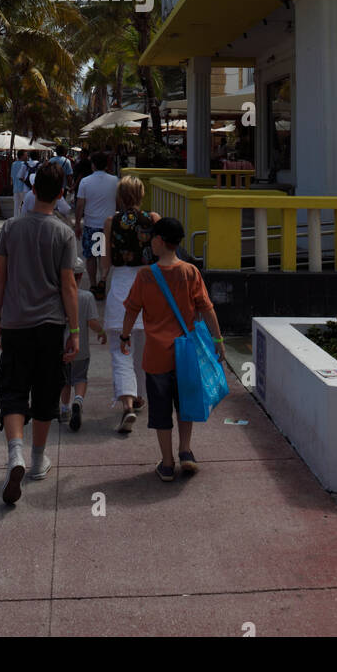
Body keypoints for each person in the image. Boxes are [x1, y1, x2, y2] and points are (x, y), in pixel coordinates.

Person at [0, 161, 80, 505]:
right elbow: (69, 286)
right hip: (50, 326)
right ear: (60, 195)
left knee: (13, 388)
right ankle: (39, 460)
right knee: (46, 390)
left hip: (14, 324)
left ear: (31, 190)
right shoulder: (63, 233)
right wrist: (75, 331)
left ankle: (15, 454)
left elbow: (0, 277)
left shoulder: (10, 228)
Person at [120, 217, 225, 483]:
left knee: (160, 410)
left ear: (160, 240)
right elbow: (206, 307)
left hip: (156, 356)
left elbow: (132, 309)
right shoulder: (190, 272)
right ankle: (185, 451)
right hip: (186, 354)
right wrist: (218, 340)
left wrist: (124, 336)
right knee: (185, 404)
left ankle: (167, 464)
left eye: (152, 237)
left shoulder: (145, 275)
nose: (150, 242)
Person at [101, 176, 159, 433]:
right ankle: (139, 396)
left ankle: (127, 402)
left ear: (120, 195)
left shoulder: (110, 222)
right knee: (144, 350)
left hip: (121, 288)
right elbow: (161, 255)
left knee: (120, 350)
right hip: (148, 288)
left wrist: (102, 281)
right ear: (141, 194)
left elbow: (106, 260)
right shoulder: (154, 219)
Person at [59, 260, 107, 430]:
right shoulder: (87, 297)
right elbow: (92, 322)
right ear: (81, 276)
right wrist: (101, 332)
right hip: (81, 349)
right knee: (80, 377)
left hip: (61, 348)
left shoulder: (58, 295)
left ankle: (64, 409)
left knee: (64, 381)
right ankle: (78, 401)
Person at [74, 150, 120, 296]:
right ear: (106, 165)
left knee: (92, 256)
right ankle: (104, 280)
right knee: (105, 254)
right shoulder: (115, 180)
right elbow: (119, 202)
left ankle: (93, 284)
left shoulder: (85, 182)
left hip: (91, 224)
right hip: (109, 225)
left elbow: (80, 205)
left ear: (93, 165)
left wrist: (77, 224)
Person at [10, 149, 30, 217]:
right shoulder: (25, 164)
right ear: (22, 156)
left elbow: (12, 176)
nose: (27, 157)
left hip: (15, 188)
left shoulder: (13, 164)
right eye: (26, 155)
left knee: (16, 206)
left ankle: (16, 219)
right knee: (26, 205)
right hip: (24, 188)